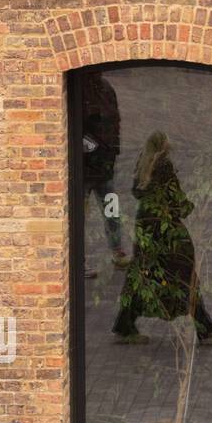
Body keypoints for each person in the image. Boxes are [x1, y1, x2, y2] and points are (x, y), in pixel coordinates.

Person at [113, 131, 212, 342]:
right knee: (184, 274)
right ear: (164, 146)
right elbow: (175, 198)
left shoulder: (142, 163)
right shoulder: (164, 166)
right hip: (166, 230)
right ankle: (204, 326)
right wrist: (189, 207)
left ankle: (125, 324)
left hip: (146, 226)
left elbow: (137, 192)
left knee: (143, 274)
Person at [82, 72, 128, 276]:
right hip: (83, 167)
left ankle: (117, 252)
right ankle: (79, 260)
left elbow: (115, 121)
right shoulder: (81, 90)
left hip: (104, 166)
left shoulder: (106, 89)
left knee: (112, 210)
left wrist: (113, 150)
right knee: (79, 216)